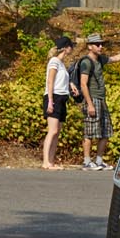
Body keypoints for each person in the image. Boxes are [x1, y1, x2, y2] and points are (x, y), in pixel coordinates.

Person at [78, 33, 120, 170]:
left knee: (105, 131)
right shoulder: (86, 62)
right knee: (90, 132)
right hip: (92, 99)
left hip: (102, 99)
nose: (100, 46)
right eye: (97, 44)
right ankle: (86, 162)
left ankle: (99, 160)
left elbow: (115, 58)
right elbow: (83, 84)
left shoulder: (100, 59)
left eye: (101, 44)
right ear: (90, 46)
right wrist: (90, 104)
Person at [41, 35, 75, 170]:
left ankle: (51, 161)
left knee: (57, 131)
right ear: (66, 48)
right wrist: (50, 101)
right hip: (53, 97)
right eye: (71, 46)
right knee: (53, 130)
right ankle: (45, 162)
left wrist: (71, 85)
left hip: (62, 98)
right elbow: (50, 81)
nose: (72, 49)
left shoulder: (62, 64)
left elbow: (61, 80)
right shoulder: (54, 61)